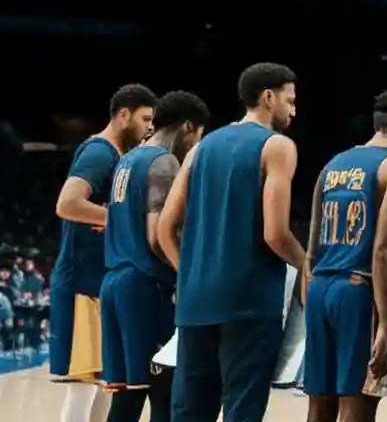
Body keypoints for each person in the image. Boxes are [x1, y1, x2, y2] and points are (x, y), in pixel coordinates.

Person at [157, 63, 306, 422]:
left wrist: (188, 274)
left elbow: (165, 227)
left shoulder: (200, 148)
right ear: (268, 97)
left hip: (195, 302)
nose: (293, 110)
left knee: (190, 414)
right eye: (290, 100)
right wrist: (306, 263)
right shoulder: (278, 146)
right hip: (247, 304)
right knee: (242, 411)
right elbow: (275, 234)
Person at [304, 88, 387, 422]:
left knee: (319, 407)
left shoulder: (332, 165)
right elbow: (384, 250)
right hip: (357, 292)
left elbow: (311, 251)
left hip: (320, 290)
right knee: (358, 408)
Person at [101, 91, 209, 422]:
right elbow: (158, 234)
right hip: (146, 287)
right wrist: (187, 275)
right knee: (164, 393)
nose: (195, 145)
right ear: (188, 127)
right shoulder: (164, 161)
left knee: (127, 397)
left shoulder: (127, 160)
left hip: (115, 283)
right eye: (198, 136)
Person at [52, 84, 158, 422]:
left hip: (98, 284)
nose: (149, 128)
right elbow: (67, 203)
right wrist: (119, 218)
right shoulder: (99, 153)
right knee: (82, 388)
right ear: (123, 114)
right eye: (145, 119)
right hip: (81, 284)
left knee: (102, 386)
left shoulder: (118, 157)